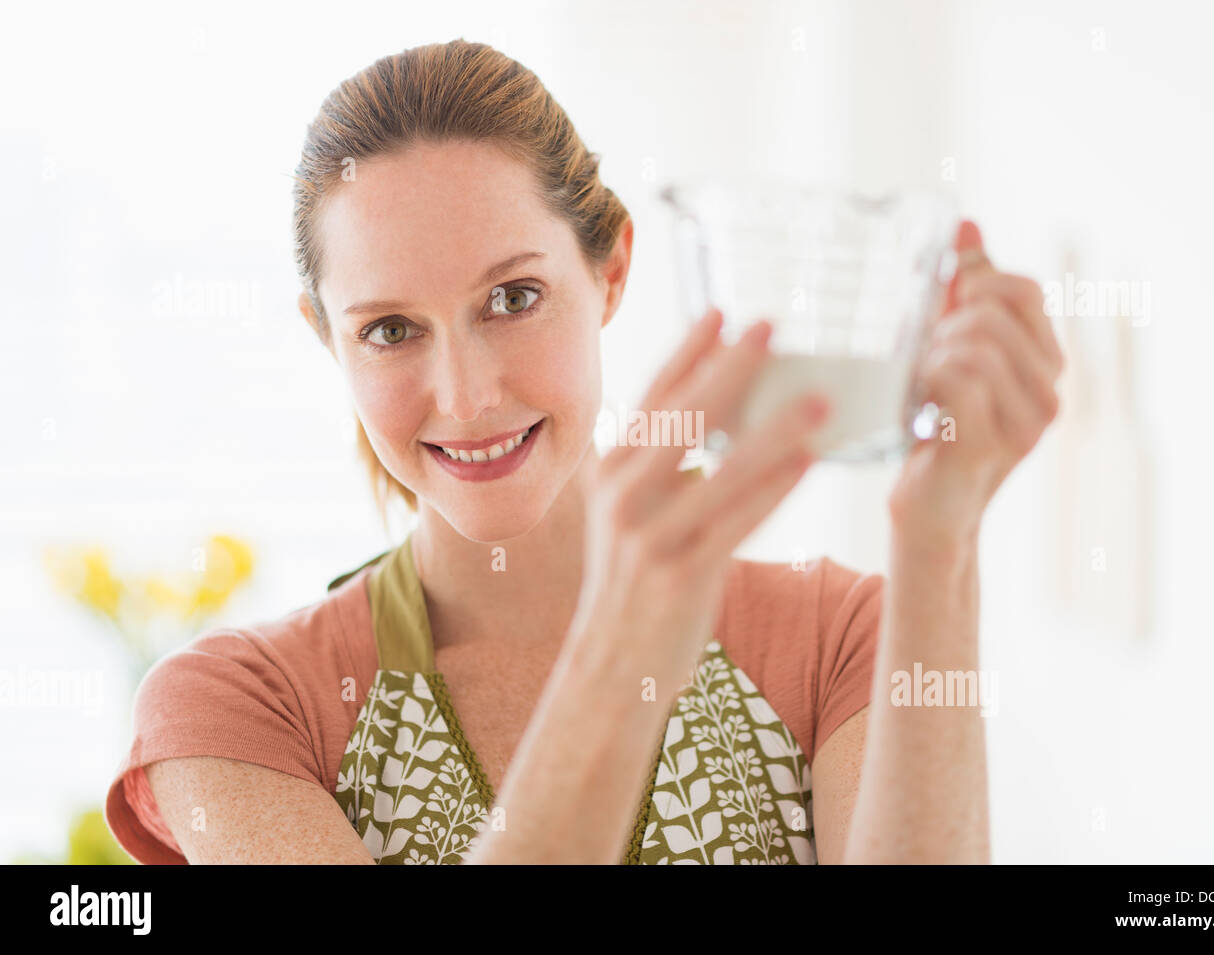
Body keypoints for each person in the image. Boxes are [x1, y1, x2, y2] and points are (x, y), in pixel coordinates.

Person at [104, 39, 1063, 865]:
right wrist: (629, 638)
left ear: (611, 271)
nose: (467, 395)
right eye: (391, 329)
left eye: (513, 298)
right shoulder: (232, 711)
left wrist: (941, 535)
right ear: (328, 339)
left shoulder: (845, 637)